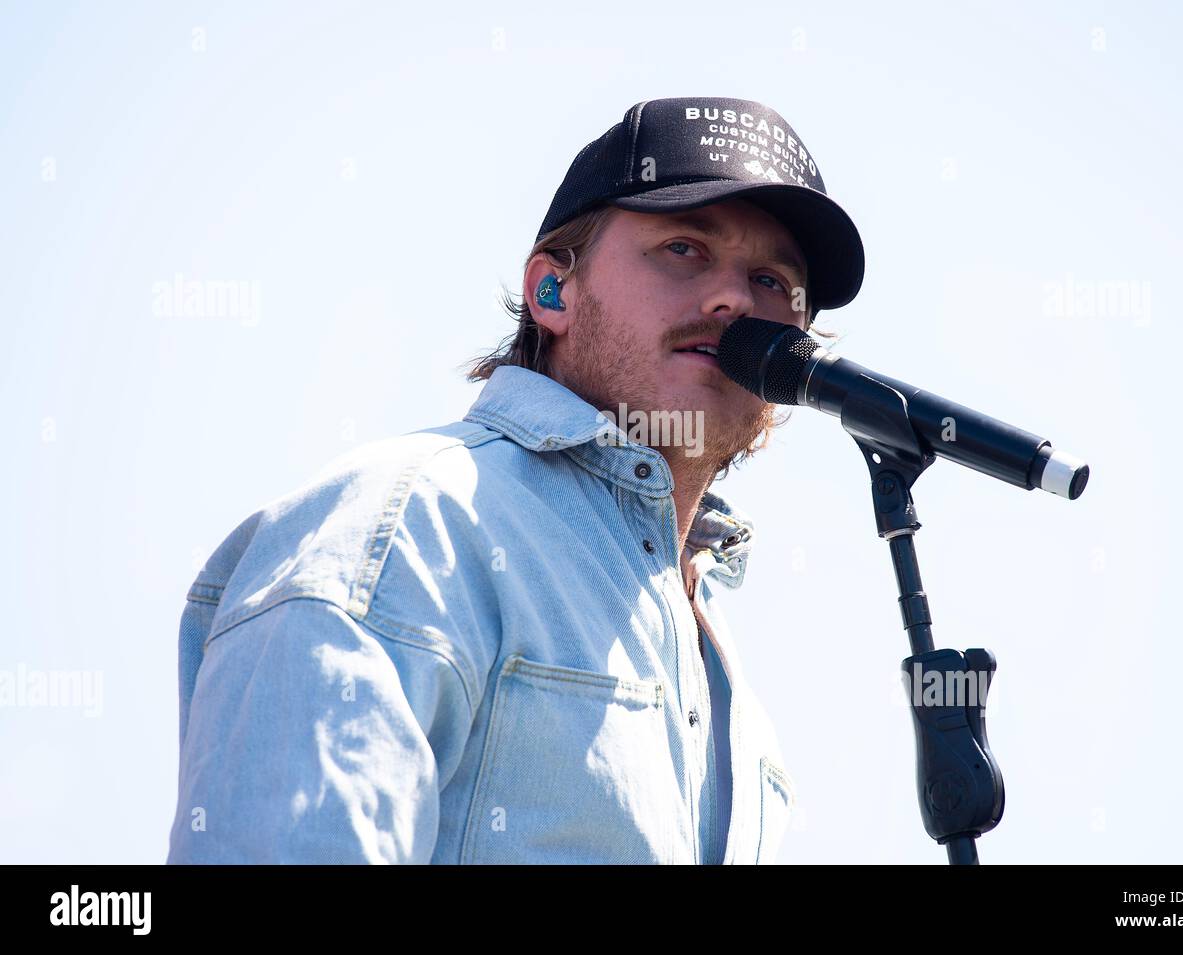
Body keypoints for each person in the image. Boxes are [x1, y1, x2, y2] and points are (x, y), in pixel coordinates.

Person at [166, 96, 865, 864]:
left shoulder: (726, 672)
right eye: (683, 249)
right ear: (552, 292)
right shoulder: (404, 525)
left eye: (771, 279)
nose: (734, 300)